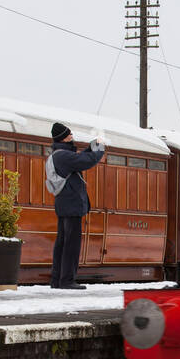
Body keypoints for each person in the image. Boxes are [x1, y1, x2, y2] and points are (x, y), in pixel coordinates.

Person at [47, 122, 105, 289]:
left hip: (64, 204)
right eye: (70, 134)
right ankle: (67, 280)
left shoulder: (58, 155)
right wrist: (99, 148)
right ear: (64, 137)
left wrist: (94, 144)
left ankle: (57, 280)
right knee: (71, 245)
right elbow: (86, 161)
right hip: (71, 205)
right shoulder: (63, 156)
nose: (72, 137)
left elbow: (80, 158)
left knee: (62, 243)